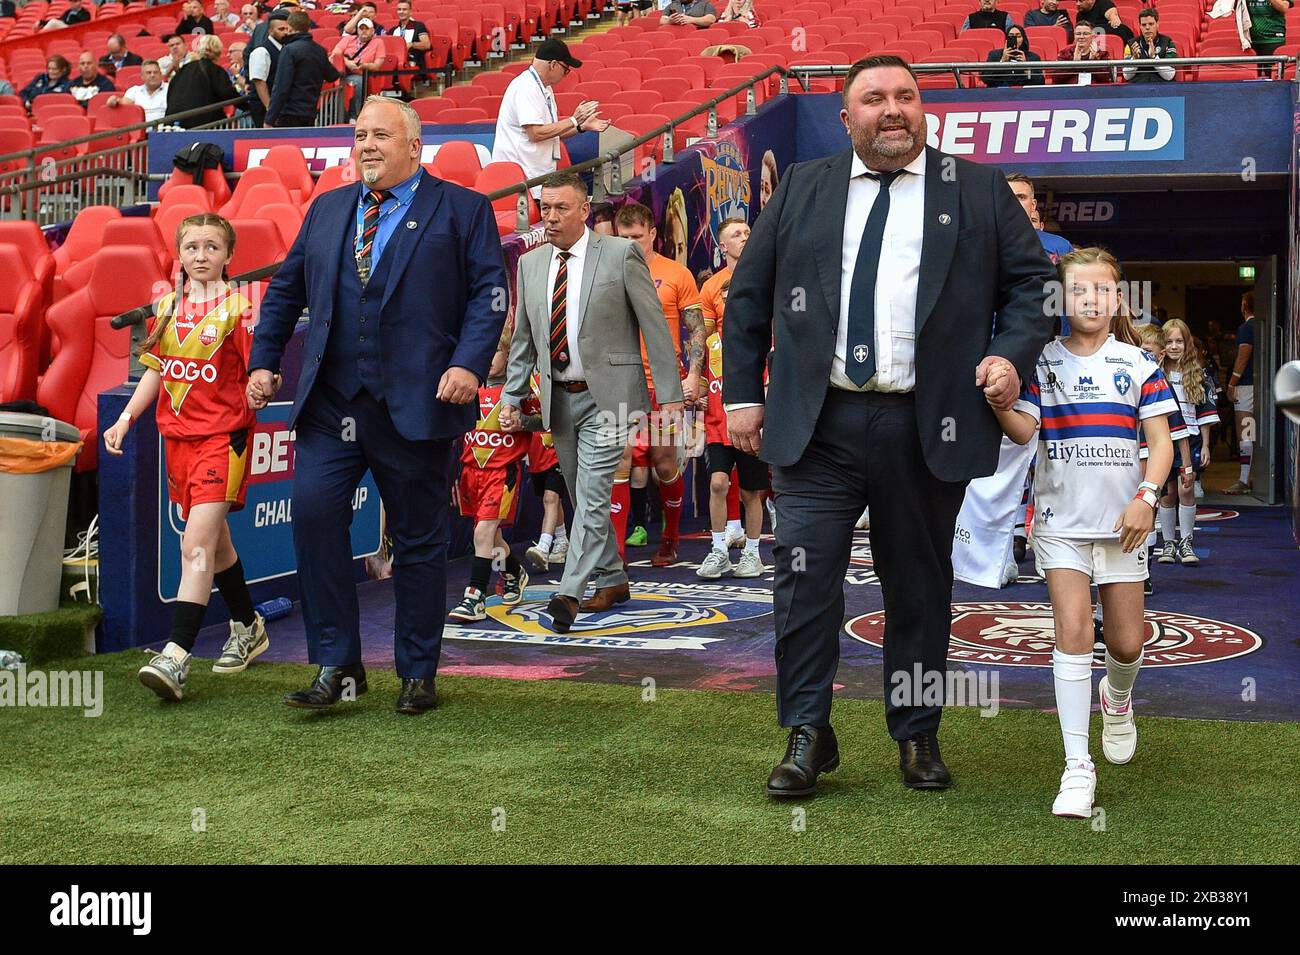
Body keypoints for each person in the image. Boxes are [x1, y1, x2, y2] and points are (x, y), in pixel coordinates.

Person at [724, 55, 1056, 798]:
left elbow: (1034, 285)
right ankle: (808, 730)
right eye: (874, 99)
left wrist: (1008, 353)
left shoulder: (975, 189)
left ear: (923, 108)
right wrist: (741, 393)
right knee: (803, 584)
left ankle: (917, 731)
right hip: (817, 424)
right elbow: (748, 296)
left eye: (906, 95)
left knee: (918, 587)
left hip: (928, 423)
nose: (893, 109)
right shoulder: (803, 187)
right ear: (848, 119)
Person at [247, 97, 507, 714]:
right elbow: (285, 291)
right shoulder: (328, 208)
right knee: (313, 522)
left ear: (413, 145)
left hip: (417, 406)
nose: (366, 144)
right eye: (360, 134)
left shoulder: (463, 210)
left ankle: (417, 671)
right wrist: (264, 359)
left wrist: (469, 364)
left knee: (419, 541)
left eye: (380, 135)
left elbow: (488, 295)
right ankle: (337, 665)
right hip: (328, 406)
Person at [990, 247, 1176, 818]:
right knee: (1072, 631)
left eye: (1102, 290)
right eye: (1078, 291)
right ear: (1059, 299)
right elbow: (1025, 431)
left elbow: (1162, 443)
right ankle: (1077, 768)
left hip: (1122, 527)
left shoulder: (1140, 364)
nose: (1091, 300)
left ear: (1118, 298)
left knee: (1125, 642)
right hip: (1060, 524)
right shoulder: (1042, 362)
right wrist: (1001, 403)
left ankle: (1116, 698)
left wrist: (1147, 498)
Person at [499, 171, 684, 634]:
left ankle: (569, 591)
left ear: (585, 210)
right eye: (546, 208)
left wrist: (671, 396)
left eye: (563, 208)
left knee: (594, 494)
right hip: (560, 400)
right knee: (584, 500)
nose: (553, 217)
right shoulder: (531, 263)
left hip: (615, 398)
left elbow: (654, 328)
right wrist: (512, 394)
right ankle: (613, 578)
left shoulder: (621, 254)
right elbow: (523, 340)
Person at [102, 214, 271, 701]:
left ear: (228, 255)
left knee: (194, 543)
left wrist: (263, 385)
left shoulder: (240, 310)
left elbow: (260, 368)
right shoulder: (166, 307)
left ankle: (177, 654)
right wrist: (126, 419)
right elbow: (155, 371)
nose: (201, 256)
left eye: (211, 247)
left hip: (224, 440)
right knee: (214, 544)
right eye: (192, 247)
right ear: (180, 254)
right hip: (176, 441)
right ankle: (248, 625)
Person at [611, 201, 704, 567]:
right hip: (621, 384)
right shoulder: (608, 271)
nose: (632, 243)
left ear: (652, 234)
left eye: (638, 237)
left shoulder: (677, 274)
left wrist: (693, 375)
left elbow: (697, 328)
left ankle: (670, 537)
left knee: (664, 466)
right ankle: (616, 553)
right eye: (624, 237)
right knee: (618, 463)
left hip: (662, 388)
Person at [447, 341, 540, 622]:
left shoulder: (522, 386)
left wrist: (523, 421)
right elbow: (453, 432)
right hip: (470, 472)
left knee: (483, 533)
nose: (486, 356)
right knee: (491, 537)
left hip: (502, 472)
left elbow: (549, 419)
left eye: (494, 351)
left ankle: (474, 596)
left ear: (509, 355)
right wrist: (452, 473)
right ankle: (514, 571)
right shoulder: (466, 384)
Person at [697, 216, 767, 580]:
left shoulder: (771, 277)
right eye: (736, 235)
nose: (744, 238)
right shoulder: (711, 288)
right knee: (717, 482)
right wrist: (694, 376)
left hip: (757, 393)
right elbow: (704, 339)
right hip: (719, 398)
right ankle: (718, 548)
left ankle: (753, 552)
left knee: (754, 489)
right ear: (722, 246)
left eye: (747, 233)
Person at [491, 39, 608, 199]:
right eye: (566, 69)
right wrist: (574, 119)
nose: (566, 75)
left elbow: (550, 132)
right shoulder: (526, 87)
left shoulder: (543, 87)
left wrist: (581, 126)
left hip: (535, 176)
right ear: (553, 65)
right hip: (522, 178)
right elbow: (535, 134)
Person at [1155, 319, 1216, 565]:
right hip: (1162, 439)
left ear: (1187, 343)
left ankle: (1186, 541)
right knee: (1167, 494)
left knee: (1186, 489)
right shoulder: (1156, 372)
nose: (1174, 346)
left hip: (1190, 439)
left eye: (1179, 341)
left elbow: (1206, 414)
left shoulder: (1198, 373)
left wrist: (1206, 444)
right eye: (1169, 341)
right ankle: (1169, 543)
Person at [265, 10, 339, 128]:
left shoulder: (289, 50)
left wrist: (270, 119)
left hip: (289, 113)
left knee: (288, 145)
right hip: (310, 111)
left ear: (290, 27)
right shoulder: (320, 50)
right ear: (308, 27)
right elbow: (332, 75)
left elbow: (281, 87)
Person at [523, 401, 571, 571]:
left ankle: (543, 547)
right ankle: (561, 540)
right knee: (552, 500)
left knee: (550, 498)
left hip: (558, 448)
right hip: (536, 451)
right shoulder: (522, 381)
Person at [167, 34, 240, 128]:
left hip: (179, 122)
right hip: (206, 122)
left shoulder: (184, 69)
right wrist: (247, 106)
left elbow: (171, 92)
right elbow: (228, 93)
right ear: (218, 50)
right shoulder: (215, 70)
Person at [1225, 292, 1256, 493]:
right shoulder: (1264, 327)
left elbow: (1244, 355)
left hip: (1245, 387)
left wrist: (1231, 383)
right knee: (1253, 433)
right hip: (1262, 386)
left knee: (1245, 432)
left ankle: (1244, 480)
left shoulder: (1246, 328)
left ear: (1244, 305)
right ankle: (1253, 479)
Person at [331, 16, 385, 120]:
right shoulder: (348, 39)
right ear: (357, 30)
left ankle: (354, 115)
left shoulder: (378, 42)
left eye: (367, 29)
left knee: (356, 82)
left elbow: (377, 65)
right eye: (361, 28)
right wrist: (348, 63)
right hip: (342, 72)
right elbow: (335, 53)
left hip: (362, 74)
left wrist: (363, 65)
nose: (364, 31)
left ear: (373, 30)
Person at [246, 10, 289, 126]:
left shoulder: (285, 49)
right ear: (270, 31)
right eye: (281, 29)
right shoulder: (261, 51)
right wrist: (270, 110)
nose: (285, 32)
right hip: (263, 108)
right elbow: (259, 82)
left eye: (287, 29)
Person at [1122, 8, 1177, 83]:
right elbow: (1126, 76)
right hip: (1138, 88)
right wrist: (1134, 59)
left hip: (1162, 88)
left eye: (1151, 24)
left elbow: (1169, 76)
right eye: (1144, 25)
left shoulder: (1168, 43)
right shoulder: (1131, 45)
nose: (1147, 27)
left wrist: (1154, 58)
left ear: (1157, 24)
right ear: (1140, 26)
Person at [1246, 1, 1293, 75]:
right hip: (1250, 40)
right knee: (1250, 77)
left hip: (1273, 38)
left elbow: (1283, 7)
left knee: (1272, 76)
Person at [391, 1, 431, 79]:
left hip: (413, 60)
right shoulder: (393, 30)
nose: (401, 12)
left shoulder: (419, 26)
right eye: (399, 9)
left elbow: (427, 44)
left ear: (410, 12)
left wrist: (411, 44)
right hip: (395, 61)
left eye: (404, 9)